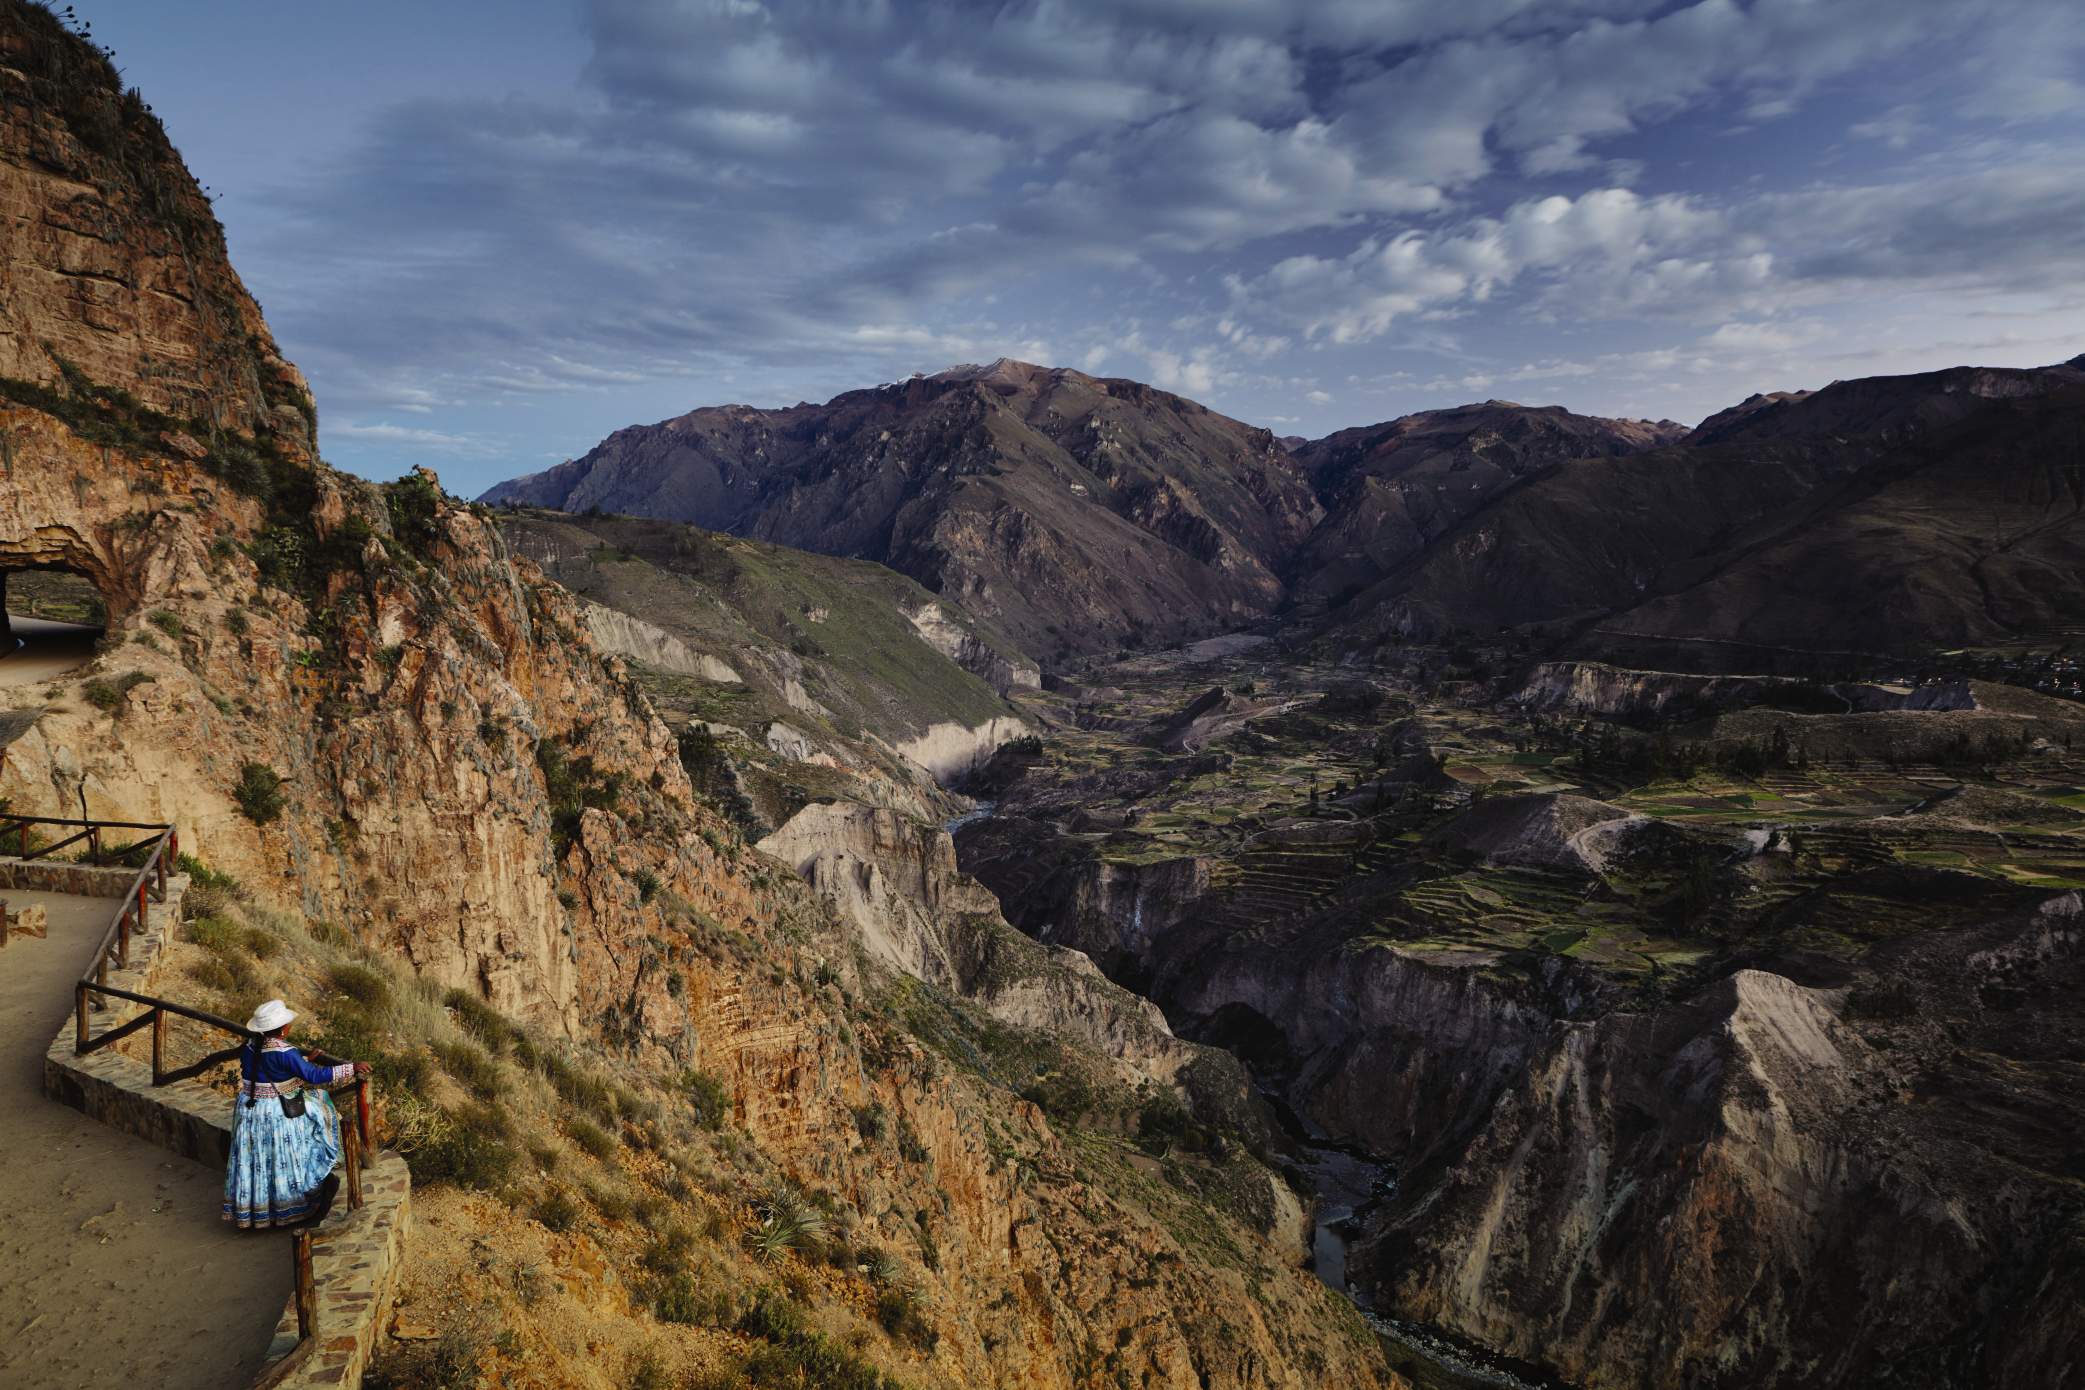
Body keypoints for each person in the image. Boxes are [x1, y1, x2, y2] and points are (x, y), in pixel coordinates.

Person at [221, 998, 369, 1230]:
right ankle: (291, 1208)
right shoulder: (285, 1052)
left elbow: (269, 1072)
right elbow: (314, 1077)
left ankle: (258, 1211)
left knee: (259, 1160)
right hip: (273, 1113)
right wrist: (351, 1067)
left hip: (249, 1111)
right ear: (282, 1029)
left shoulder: (250, 1046)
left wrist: (303, 1061)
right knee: (314, 1118)